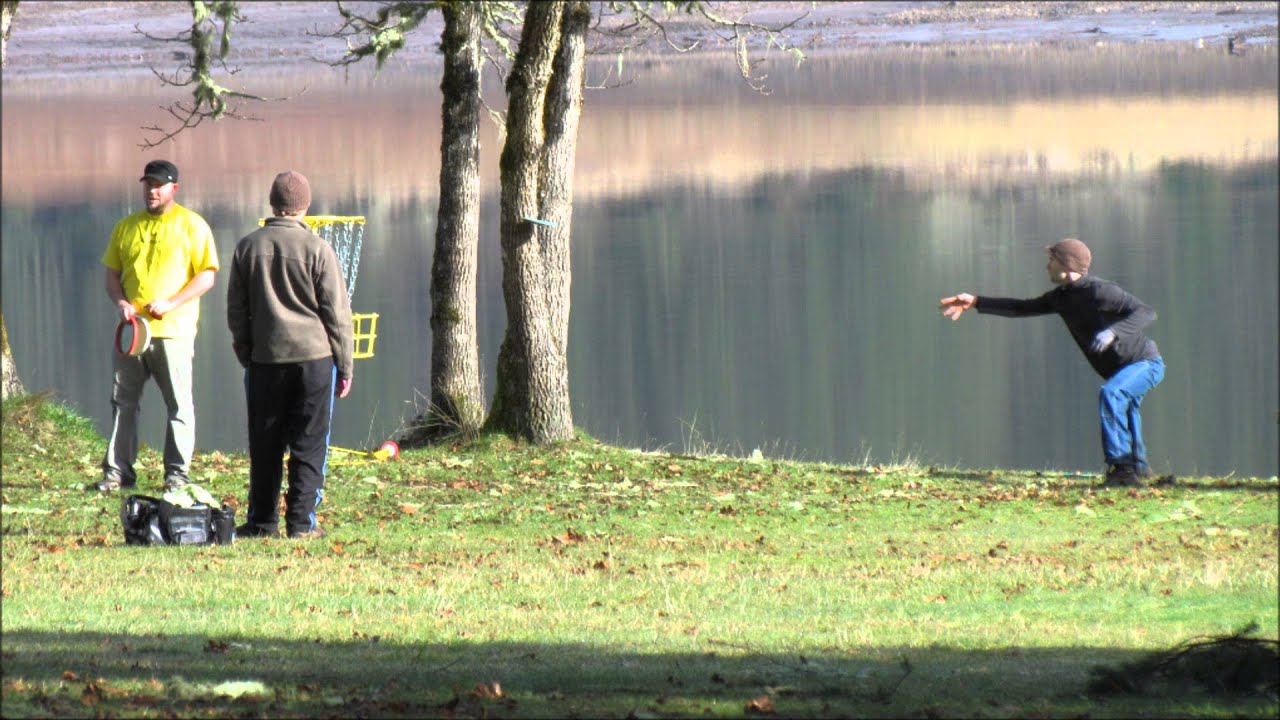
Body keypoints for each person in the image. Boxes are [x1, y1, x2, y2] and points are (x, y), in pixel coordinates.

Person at [939, 238, 1167, 488]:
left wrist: (1114, 332)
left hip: (1146, 363)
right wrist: (977, 302)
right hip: (1121, 368)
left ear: (1066, 264)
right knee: (1124, 405)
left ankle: (1122, 470)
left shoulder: (1101, 291)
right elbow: (1020, 308)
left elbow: (1146, 312)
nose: (1047, 266)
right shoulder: (1062, 297)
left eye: (1051, 260)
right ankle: (1139, 469)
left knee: (1112, 394)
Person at [227, 171, 353, 540]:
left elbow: (236, 309)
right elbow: (337, 314)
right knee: (309, 444)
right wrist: (344, 364)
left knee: (265, 445)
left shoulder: (248, 247)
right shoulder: (319, 249)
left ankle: (262, 522)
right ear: (305, 206)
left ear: (272, 203)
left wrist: (245, 351)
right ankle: (301, 524)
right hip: (314, 361)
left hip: (265, 360)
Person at [98, 160, 219, 492]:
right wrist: (122, 303)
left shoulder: (193, 226)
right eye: (148, 184)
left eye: (159, 185)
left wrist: (171, 304)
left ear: (174, 189)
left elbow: (207, 276)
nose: (152, 190)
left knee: (179, 405)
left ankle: (176, 475)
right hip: (132, 331)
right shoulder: (125, 227)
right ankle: (117, 472)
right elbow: (111, 274)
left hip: (173, 332)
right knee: (123, 401)